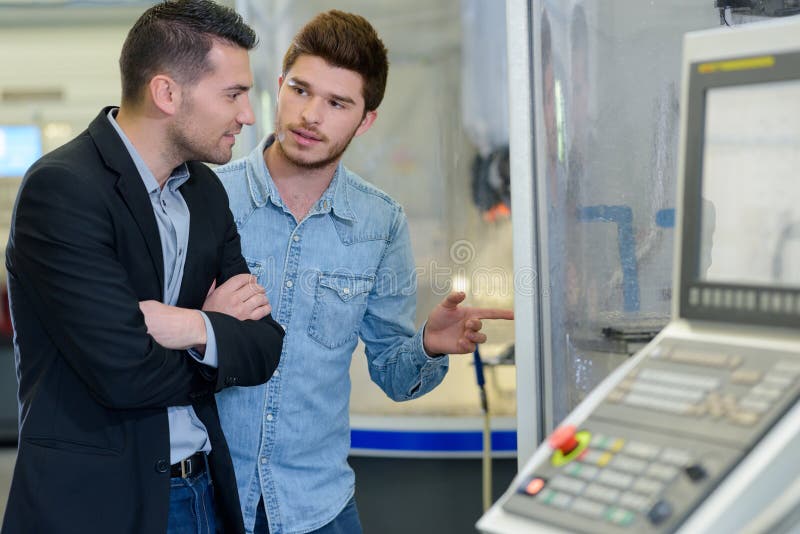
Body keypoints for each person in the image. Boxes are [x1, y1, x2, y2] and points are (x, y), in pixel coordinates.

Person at [214, 10, 514, 534]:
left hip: (318, 509)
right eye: (301, 91)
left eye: (337, 103)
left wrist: (426, 346)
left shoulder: (380, 223)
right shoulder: (209, 197)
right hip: (207, 503)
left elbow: (393, 375)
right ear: (279, 86)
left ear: (365, 119)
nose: (311, 115)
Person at [1, 1, 285, 533]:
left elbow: (265, 344)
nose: (248, 115)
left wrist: (188, 326)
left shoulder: (205, 193)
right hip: (101, 505)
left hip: (205, 491)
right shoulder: (63, 189)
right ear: (166, 93)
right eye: (233, 94)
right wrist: (218, 336)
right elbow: (123, 374)